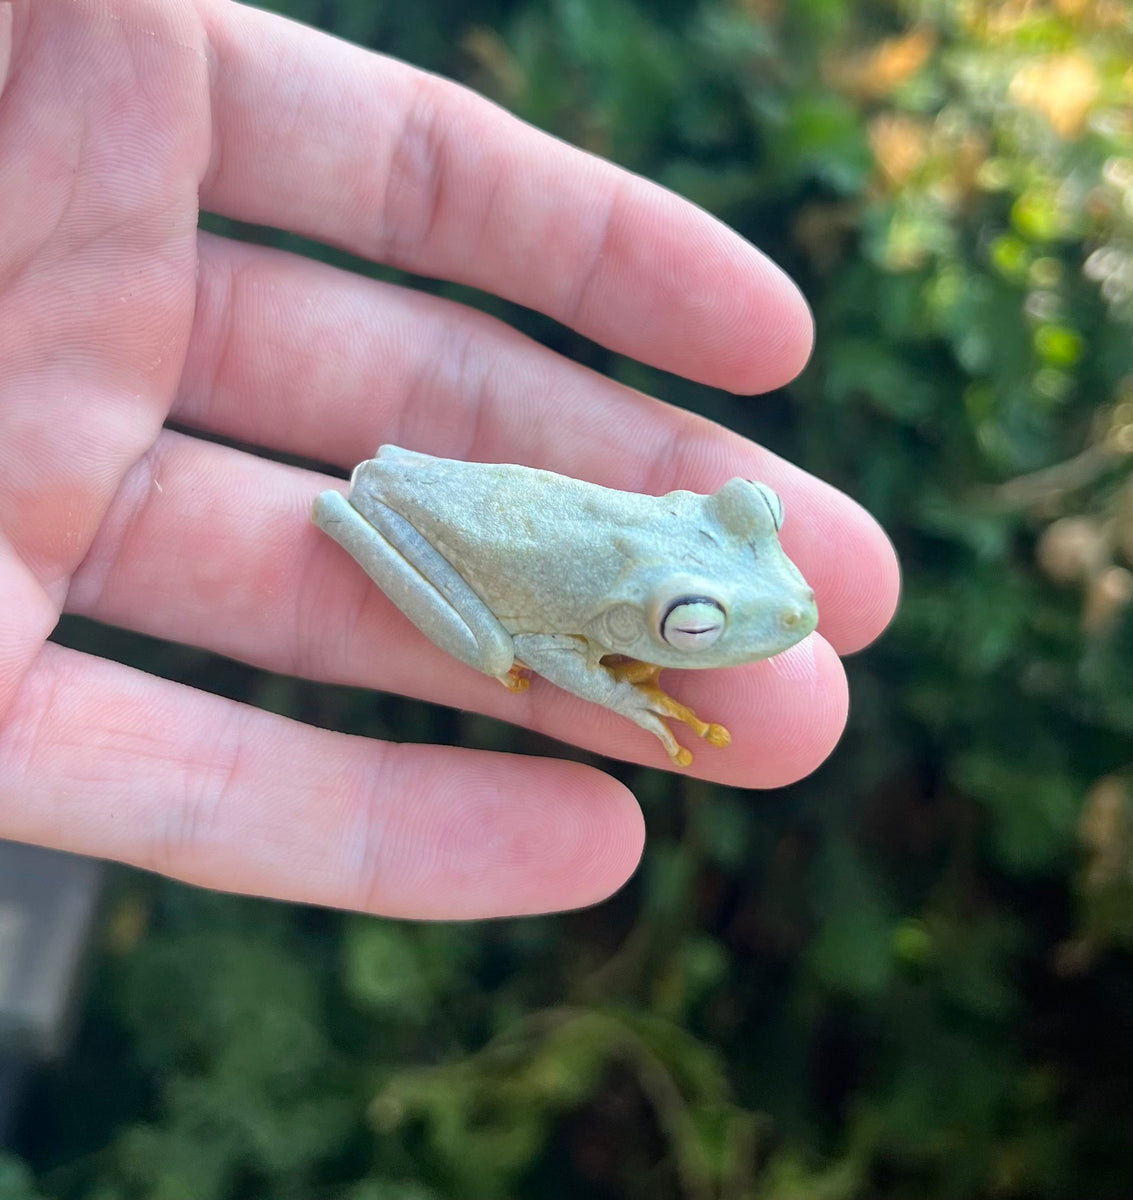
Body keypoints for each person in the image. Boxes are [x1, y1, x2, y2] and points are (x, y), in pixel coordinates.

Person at [0, 0, 899, 919]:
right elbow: (552, 647)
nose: (777, 583)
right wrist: (622, 695)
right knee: (498, 644)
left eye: (751, 520)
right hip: (459, 544)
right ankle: (393, 546)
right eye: (695, 623)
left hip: (493, 511)